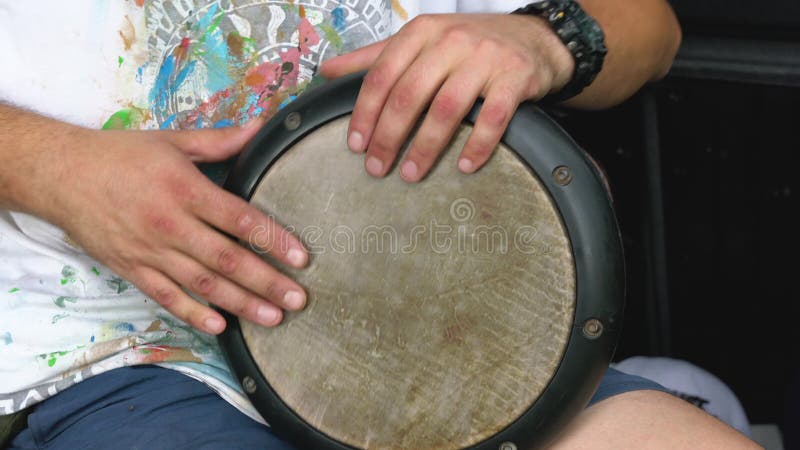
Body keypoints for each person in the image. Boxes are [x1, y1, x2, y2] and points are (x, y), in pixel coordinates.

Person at [0, 0, 757, 448]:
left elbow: (651, 31)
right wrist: (53, 167)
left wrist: (543, 34)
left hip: (446, 332)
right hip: (126, 353)